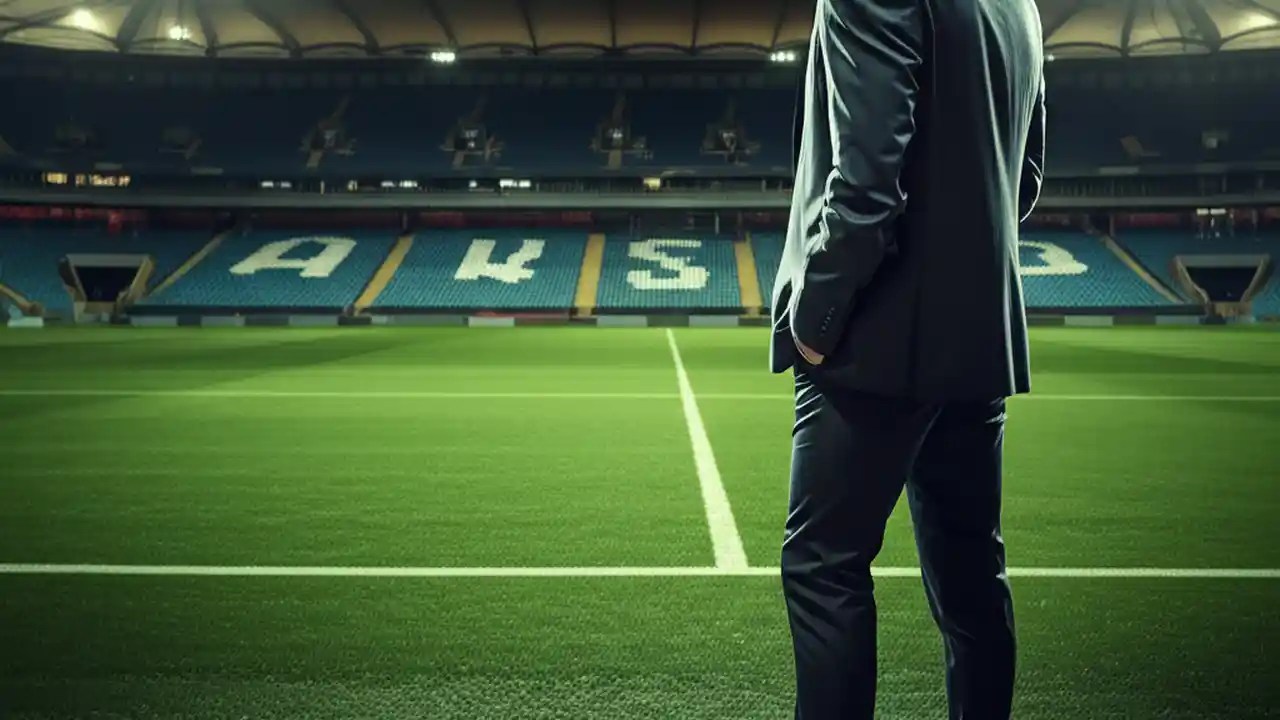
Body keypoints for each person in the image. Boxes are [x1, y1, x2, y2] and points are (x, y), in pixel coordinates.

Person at [768, 0, 1046, 717]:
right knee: (972, 578)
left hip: (876, 338)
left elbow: (863, 187)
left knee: (823, 569)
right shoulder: (1019, 5)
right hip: (977, 331)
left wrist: (815, 323)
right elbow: (1027, 173)